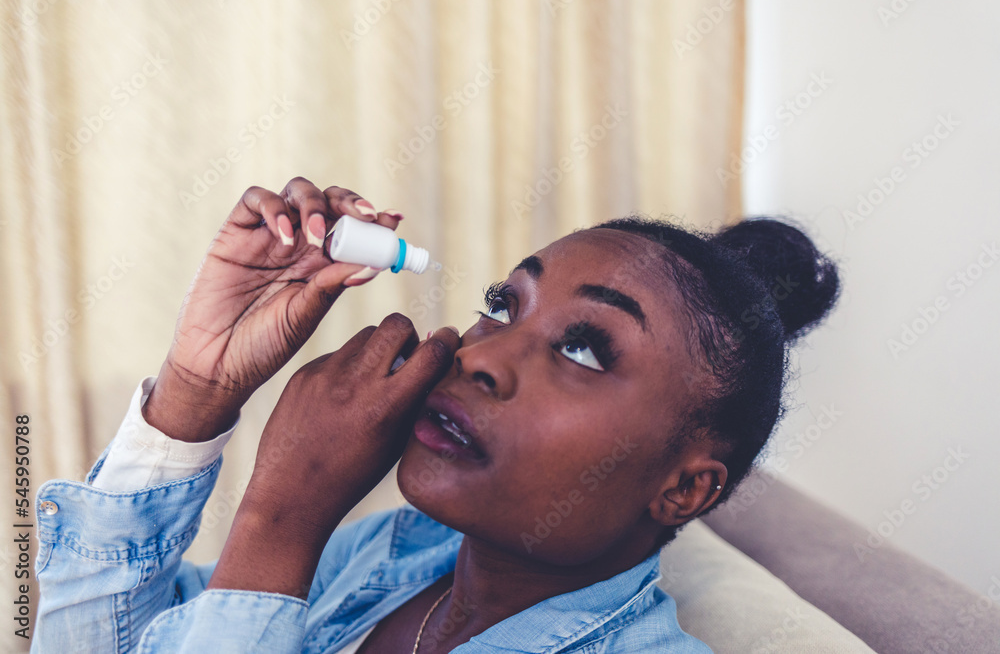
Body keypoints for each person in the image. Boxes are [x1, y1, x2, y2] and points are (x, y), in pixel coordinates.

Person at [31, 177, 839, 653]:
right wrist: (194, 393)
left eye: (586, 348)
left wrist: (280, 521)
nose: (481, 354)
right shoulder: (399, 551)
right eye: (502, 303)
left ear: (685, 488)